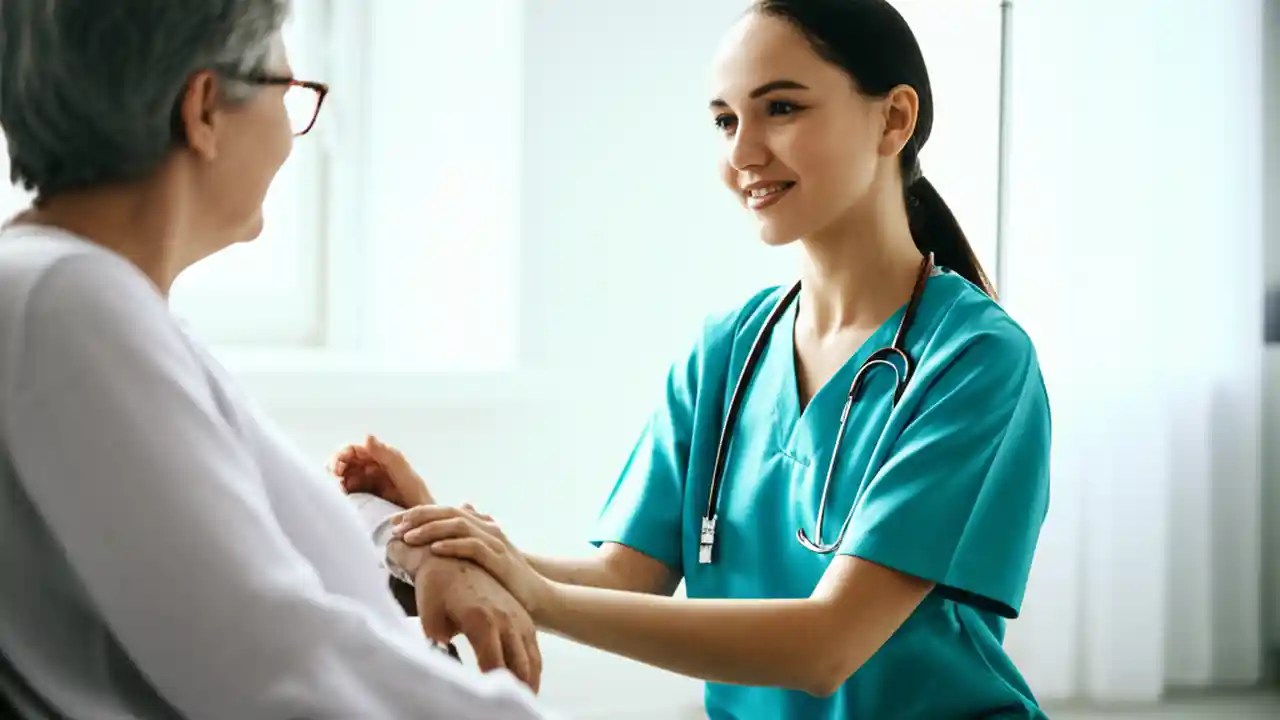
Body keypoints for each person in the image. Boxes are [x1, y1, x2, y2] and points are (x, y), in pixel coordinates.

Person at [337, 1, 1052, 718]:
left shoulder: (976, 360)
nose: (743, 153)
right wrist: (454, 540)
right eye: (724, 120)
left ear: (894, 119)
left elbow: (826, 645)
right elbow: (624, 576)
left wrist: (532, 593)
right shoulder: (727, 352)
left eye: (781, 108)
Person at [0, 1, 558, 717]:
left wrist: (400, 541)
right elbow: (275, 664)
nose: (294, 139)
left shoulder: (83, 297)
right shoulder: (67, 302)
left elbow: (194, 532)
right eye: (290, 93)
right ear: (203, 109)